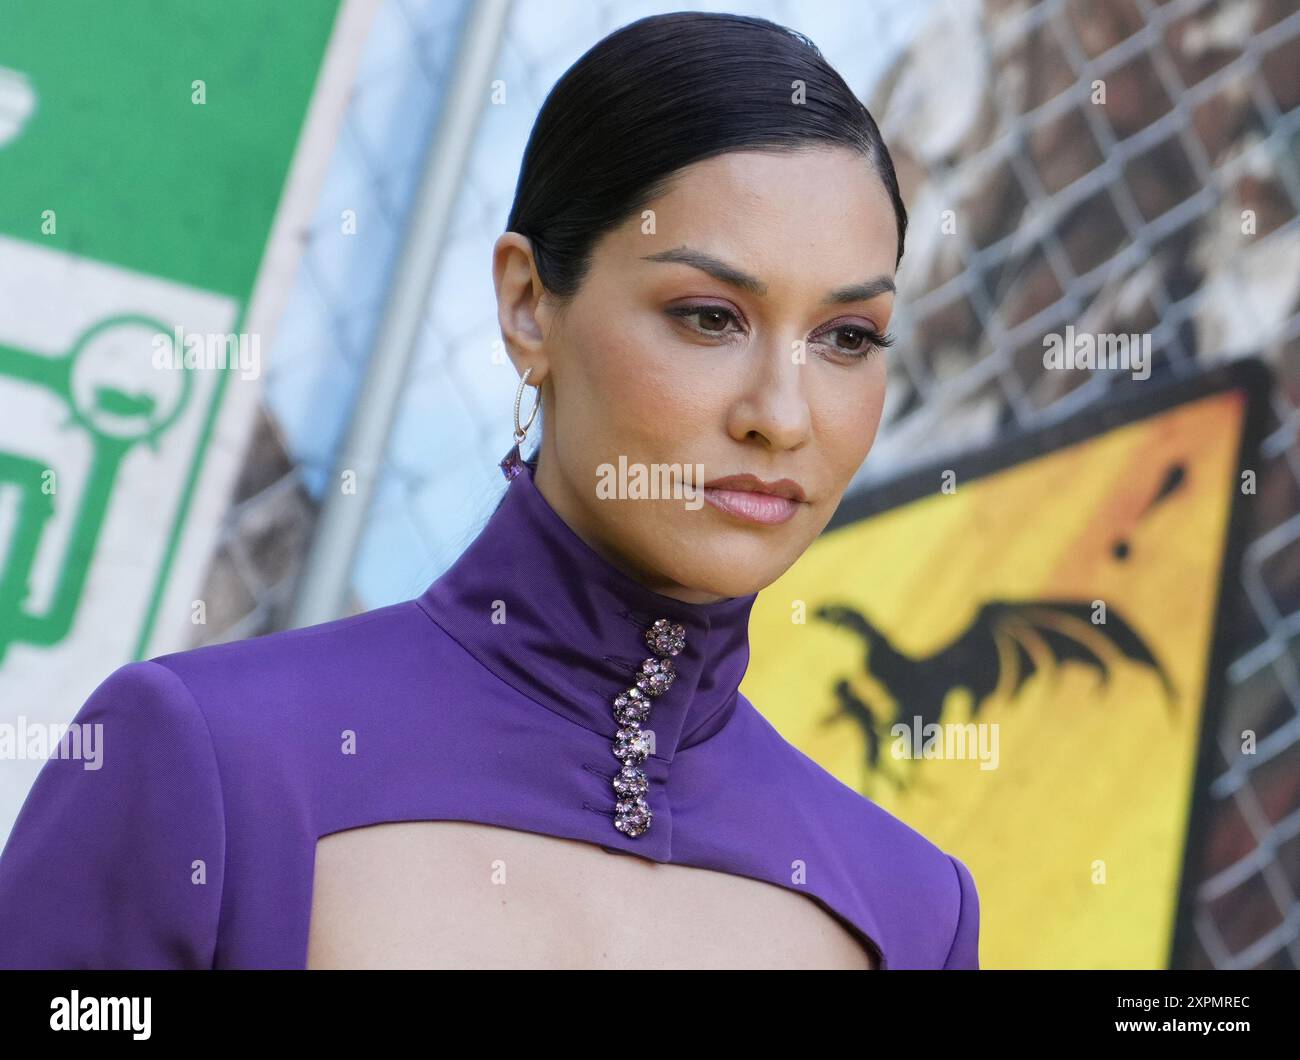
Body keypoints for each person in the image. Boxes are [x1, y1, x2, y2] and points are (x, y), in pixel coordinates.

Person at [0, 10, 978, 970]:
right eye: (709, 317)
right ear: (527, 305)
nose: (783, 415)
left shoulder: (910, 912)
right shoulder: (211, 762)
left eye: (847, 337)